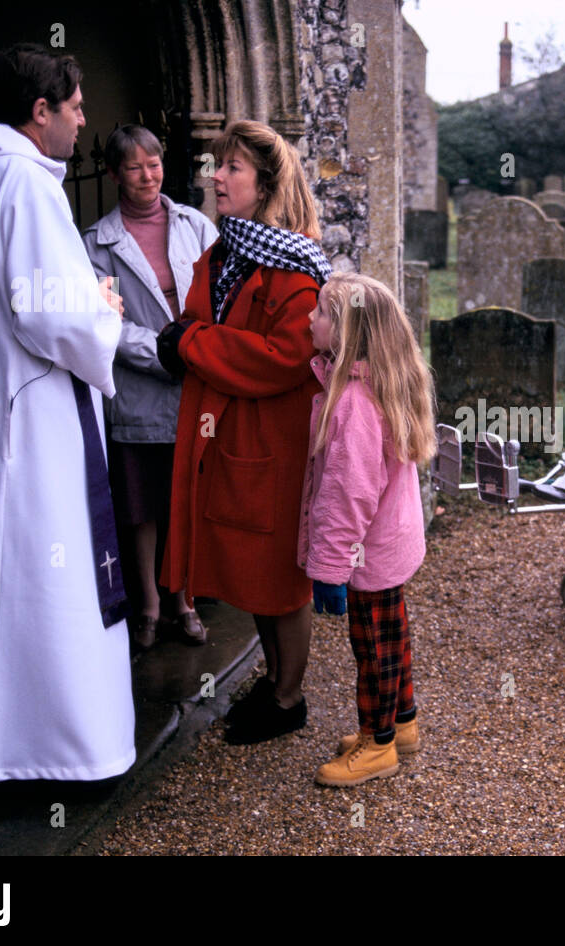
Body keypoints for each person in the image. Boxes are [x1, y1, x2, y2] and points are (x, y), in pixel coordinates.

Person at [0, 44, 135, 783]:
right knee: (45, 576)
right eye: (75, 106)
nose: (86, 121)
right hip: (29, 425)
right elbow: (54, 318)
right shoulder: (22, 183)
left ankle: (3, 745)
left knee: (7, 576)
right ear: (39, 111)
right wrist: (103, 309)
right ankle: (55, 751)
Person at [155, 120, 331, 745]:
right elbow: (204, 323)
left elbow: (284, 356)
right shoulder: (226, 252)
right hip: (225, 436)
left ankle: (288, 698)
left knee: (281, 578)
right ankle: (277, 681)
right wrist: (181, 338)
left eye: (231, 168)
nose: (216, 177)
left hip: (271, 443)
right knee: (251, 570)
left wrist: (191, 342)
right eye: (216, 164)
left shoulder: (295, 267)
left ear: (264, 186)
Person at [82, 125, 218, 650]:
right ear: (114, 173)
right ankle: (147, 607)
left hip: (198, 387)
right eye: (134, 166)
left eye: (155, 162)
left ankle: (185, 603)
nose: (148, 174)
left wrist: (198, 346)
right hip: (141, 391)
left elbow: (218, 295)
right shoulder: (97, 244)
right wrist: (168, 352)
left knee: (185, 501)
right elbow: (105, 321)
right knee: (141, 509)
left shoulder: (196, 225)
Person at [299, 273, 434, 787]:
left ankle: (377, 746)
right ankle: (403, 724)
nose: (311, 320)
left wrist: (329, 569)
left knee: (372, 649)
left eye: (322, 313)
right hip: (388, 545)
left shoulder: (354, 402)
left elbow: (346, 498)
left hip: (363, 553)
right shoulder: (383, 382)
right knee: (393, 633)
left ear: (350, 330)